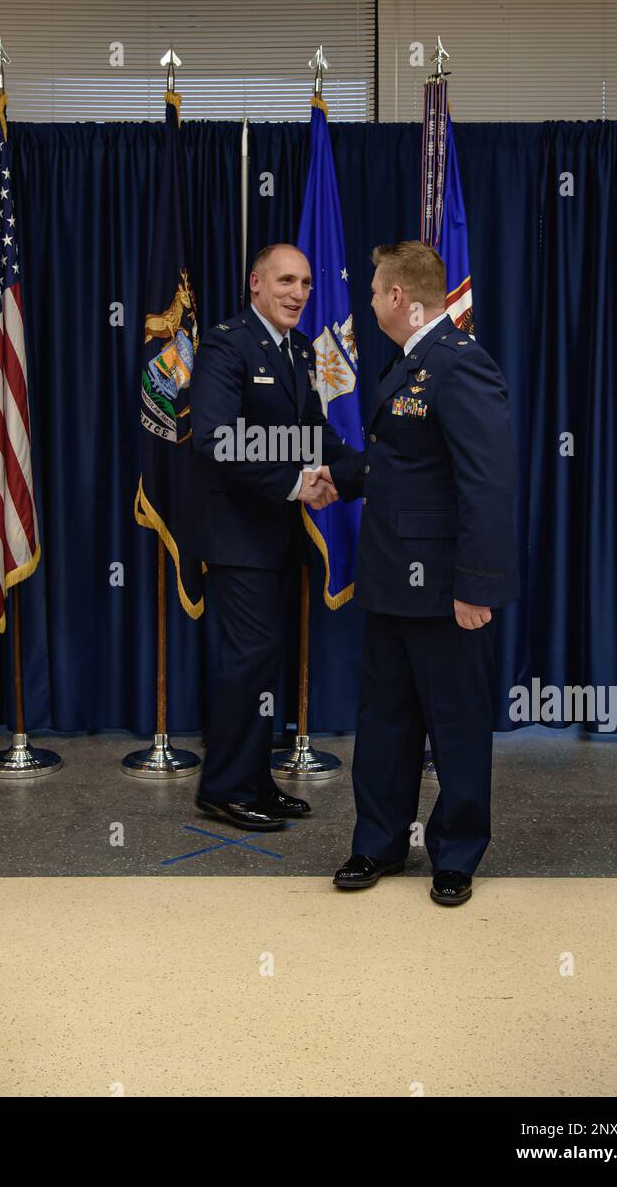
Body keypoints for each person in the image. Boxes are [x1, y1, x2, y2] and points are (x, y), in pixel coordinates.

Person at [327, 241, 519, 905]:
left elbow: (487, 485)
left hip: (444, 587)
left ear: (397, 298)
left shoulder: (460, 366)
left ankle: (456, 854)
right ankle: (376, 843)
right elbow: (395, 463)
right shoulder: (404, 367)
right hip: (387, 578)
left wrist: (475, 585)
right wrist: (337, 479)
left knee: (456, 723)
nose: (373, 298)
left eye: (378, 289)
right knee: (384, 720)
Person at [188, 243, 350, 832]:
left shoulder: (300, 350)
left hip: (276, 537)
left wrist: (366, 469)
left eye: (306, 282)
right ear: (255, 283)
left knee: (262, 662)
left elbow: (314, 434)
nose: (298, 293)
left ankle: (253, 777)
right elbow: (216, 440)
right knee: (248, 661)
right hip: (236, 536)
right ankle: (224, 788)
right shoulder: (225, 344)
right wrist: (294, 482)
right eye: (286, 280)